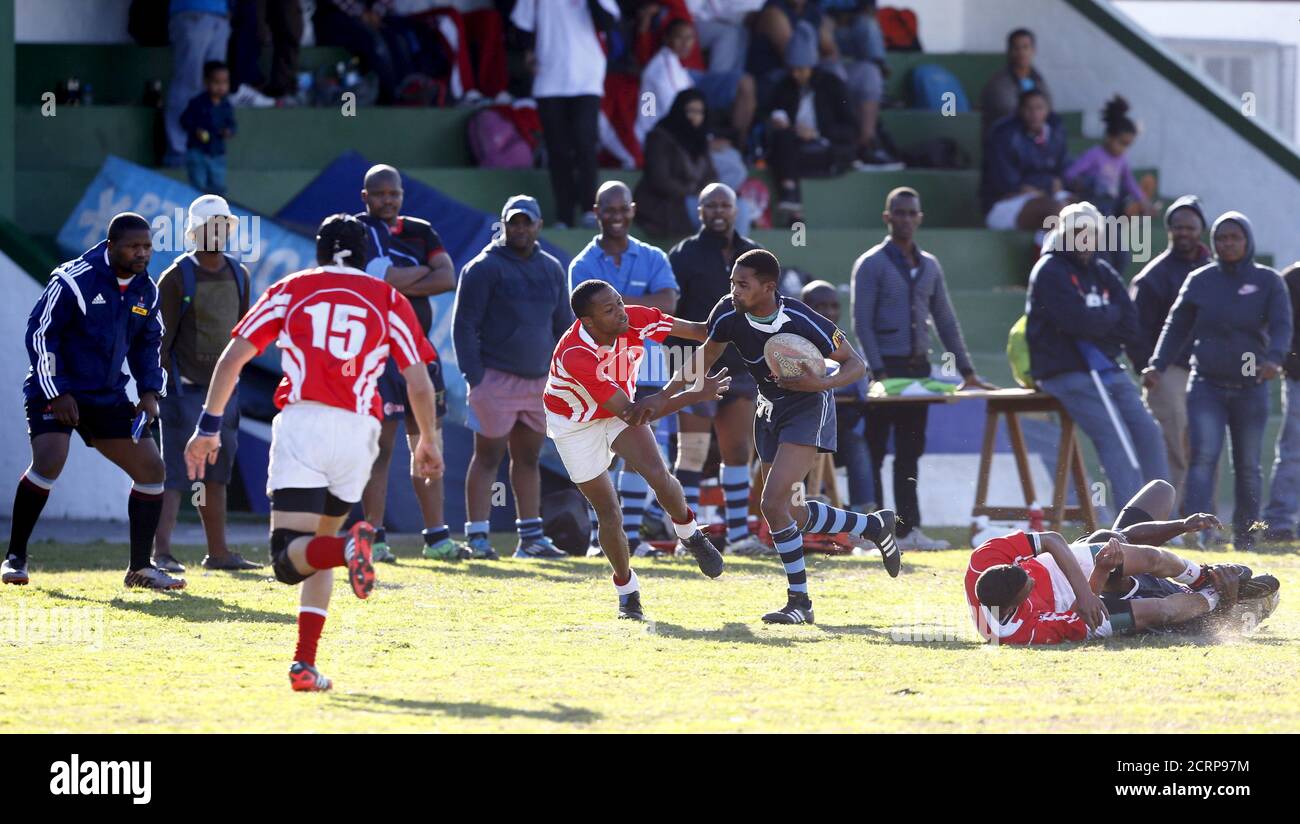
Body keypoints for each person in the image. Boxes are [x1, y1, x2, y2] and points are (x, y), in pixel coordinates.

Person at [184, 213, 443, 691]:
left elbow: (234, 357)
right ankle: (304, 664)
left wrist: (208, 426)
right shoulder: (388, 297)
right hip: (360, 432)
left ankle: (348, 548)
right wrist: (427, 439)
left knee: (287, 557)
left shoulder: (293, 287)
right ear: (369, 257)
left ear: (320, 251)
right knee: (317, 549)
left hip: (305, 423)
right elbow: (419, 382)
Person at [628, 249, 900, 623]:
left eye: (743, 284)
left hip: (808, 408)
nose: (734, 290)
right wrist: (661, 396)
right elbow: (702, 359)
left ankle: (800, 602)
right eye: (732, 283)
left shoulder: (803, 318)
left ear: (769, 287)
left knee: (772, 504)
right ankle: (872, 525)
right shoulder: (727, 312)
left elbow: (856, 364)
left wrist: (821, 382)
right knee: (789, 510)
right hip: (768, 409)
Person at [4, 214, 178, 590]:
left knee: (152, 470)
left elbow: (150, 343)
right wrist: (57, 392)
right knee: (49, 460)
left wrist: (149, 393)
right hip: (56, 389)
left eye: (147, 246)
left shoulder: (146, 289)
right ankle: (15, 557)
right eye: (134, 246)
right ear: (112, 246)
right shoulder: (72, 279)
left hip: (106, 395)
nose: (142, 253)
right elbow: (40, 335)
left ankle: (140, 569)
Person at [546, 280, 728, 618]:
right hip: (574, 423)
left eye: (619, 302)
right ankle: (627, 591)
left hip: (618, 409)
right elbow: (633, 413)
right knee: (609, 511)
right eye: (609, 309)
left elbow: (702, 331)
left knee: (659, 475)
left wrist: (734, 314)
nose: (621, 313)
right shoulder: (577, 355)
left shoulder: (637, 318)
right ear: (588, 322)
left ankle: (690, 534)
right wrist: (694, 394)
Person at [850, 187, 996, 549]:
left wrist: (966, 372)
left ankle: (909, 529)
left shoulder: (929, 265)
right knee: (875, 451)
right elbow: (861, 322)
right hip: (886, 372)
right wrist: (878, 373)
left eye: (911, 213)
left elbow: (945, 319)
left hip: (918, 372)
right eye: (898, 212)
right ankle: (876, 532)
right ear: (887, 217)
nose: (905, 219)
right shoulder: (870, 263)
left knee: (910, 452)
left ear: (919, 218)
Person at [1143, 212, 1293, 550]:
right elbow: (1176, 325)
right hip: (1206, 384)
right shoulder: (1201, 280)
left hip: (1250, 386)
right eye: (1221, 238)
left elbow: (1283, 326)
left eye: (1234, 238)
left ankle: (1245, 535)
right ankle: (1201, 532)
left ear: (1248, 241)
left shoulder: (1269, 281)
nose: (1227, 244)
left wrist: (1274, 359)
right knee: (1203, 459)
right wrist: (1157, 365)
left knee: (1248, 465)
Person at [1027, 202, 1168, 513]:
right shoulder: (1050, 270)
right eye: (1078, 232)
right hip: (1067, 370)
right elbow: (1074, 321)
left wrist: (1097, 321)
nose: (1085, 240)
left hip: (1106, 366)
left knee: (1148, 432)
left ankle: (1164, 517)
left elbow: (1130, 321)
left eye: (1091, 233)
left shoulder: (1101, 270)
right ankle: (1132, 526)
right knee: (1115, 439)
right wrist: (1106, 318)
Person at [452, 195, 573, 559]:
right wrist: (477, 378)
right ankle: (478, 538)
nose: (520, 228)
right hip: (495, 380)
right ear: (503, 224)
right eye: (514, 222)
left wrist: (559, 376)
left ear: (537, 226)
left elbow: (562, 327)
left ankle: (531, 539)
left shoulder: (552, 268)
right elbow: (464, 327)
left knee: (528, 458)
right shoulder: (482, 268)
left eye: (527, 222)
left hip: (539, 382)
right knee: (488, 457)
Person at [353, 164, 459, 562]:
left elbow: (447, 278)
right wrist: (417, 276)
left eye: (394, 193)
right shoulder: (356, 231)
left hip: (419, 355)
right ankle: (375, 539)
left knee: (427, 444)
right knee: (379, 450)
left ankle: (437, 538)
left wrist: (397, 279)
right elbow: (371, 283)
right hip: (376, 356)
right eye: (379, 194)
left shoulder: (421, 230)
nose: (388, 200)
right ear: (366, 197)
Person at [569, 182, 680, 558]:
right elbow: (587, 320)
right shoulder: (581, 264)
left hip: (646, 367)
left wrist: (615, 307)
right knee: (597, 452)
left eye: (622, 209)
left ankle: (631, 536)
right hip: (599, 371)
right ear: (596, 212)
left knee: (644, 456)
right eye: (608, 210)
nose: (616, 216)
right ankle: (600, 539)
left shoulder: (653, 255)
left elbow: (667, 302)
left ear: (632, 210)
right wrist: (639, 309)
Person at [152, 195, 259, 573]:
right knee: (173, 475)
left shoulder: (239, 274)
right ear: (195, 232)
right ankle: (160, 553)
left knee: (216, 471)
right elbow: (159, 341)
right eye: (209, 225)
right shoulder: (177, 276)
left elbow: (246, 336)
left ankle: (218, 553)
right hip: (182, 392)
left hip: (223, 394)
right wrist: (157, 390)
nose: (217, 232)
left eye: (223, 225)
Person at [666, 183, 767, 556]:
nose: (718, 211)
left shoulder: (753, 253)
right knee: (691, 453)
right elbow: (669, 316)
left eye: (725, 204)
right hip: (694, 363)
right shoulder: (682, 255)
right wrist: (680, 365)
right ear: (700, 211)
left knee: (737, 451)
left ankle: (739, 534)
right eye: (711, 205)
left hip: (743, 367)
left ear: (737, 209)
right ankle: (687, 539)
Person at [1128, 195, 1211, 505]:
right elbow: (1133, 331)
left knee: (1204, 451)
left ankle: (1205, 522)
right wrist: (1149, 371)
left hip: (1206, 372)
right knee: (1172, 452)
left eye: (1190, 227)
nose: (1184, 232)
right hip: (1168, 373)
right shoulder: (1153, 276)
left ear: (1201, 229)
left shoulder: (1212, 270)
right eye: (1178, 227)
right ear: (1169, 230)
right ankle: (1164, 522)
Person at [511, 0, 620, 228]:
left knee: (584, 143)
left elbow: (608, 23)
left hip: (587, 77)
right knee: (558, 149)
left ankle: (590, 209)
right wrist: (528, 52)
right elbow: (522, 25)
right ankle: (564, 215)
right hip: (549, 77)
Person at [764, 21, 859, 226]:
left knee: (786, 154)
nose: (796, 74)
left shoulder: (833, 85)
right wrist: (776, 121)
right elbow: (767, 114)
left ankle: (792, 200)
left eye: (801, 69)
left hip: (827, 149)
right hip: (792, 145)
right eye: (793, 69)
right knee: (784, 141)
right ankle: (792, 201)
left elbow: (851, 129)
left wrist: (816, 133)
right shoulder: (784, 87)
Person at [801, 281, 875, 513]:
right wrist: (838, 381)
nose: (829, 312)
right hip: (796, 435)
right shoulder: (792, 344)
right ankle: (807, 514)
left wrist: (827, 382)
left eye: (834, 306)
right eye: (821, 306)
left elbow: (861, 385)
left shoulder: (843, 345)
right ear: (805, 307)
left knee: (857, 444)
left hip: (835, 436)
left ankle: (865, 519)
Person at [635, 18, 756, 147]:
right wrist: (706, 143)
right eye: (679, 37)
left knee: (745, 83)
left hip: (671, 134)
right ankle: (738, 147)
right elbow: (675, 114)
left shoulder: (672, 64)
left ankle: (739, 146)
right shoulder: (663, 69)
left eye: (689, 38)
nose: (685, 43)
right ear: (667, 39)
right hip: (663, 141)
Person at [981, 88, 1073, 231]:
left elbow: (1064, 173)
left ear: (1048, 110)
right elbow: (1008, 184)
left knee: (1087, 210)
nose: (1034, 114)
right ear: (1020, 110)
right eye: (1029, 108)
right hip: (1005, 203)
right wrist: (1046, 186)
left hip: (1046, 196)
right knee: (1055, 210)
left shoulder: (1055, 132)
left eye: (1039, 108)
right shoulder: (1004, 135)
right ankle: (1051, 253)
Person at [634, 90, 719, 238]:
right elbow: (660, 180)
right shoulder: (659, 138)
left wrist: (705, 193)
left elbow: (712, 175)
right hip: (664, 205)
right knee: (712, 212)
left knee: (737, 208)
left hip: (695, 200)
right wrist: (692, 193)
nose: (694, 117)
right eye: (690, 111)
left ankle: (730, 259)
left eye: (699, 112)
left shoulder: (699, 141)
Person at [164, 0, 232, 166]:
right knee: (188, 81)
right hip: (191, 10)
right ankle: (178, 149)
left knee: (214, 87)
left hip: (219, 14)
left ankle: (205, 147)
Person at [1263, 262, 1300, 542]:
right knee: (1293, 452)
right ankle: (1280, 521)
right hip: (1298, 380)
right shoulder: (1291, 279)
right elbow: (1278, 327)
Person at [979, 28, 1051, 137]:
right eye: (1016, 48)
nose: (1021, 52)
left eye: (1026, 47)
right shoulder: (998, 83)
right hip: (1005, 139)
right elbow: (1009, 112)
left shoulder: (1037, 78)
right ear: (1009, 51)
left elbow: (1048, 106)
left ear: (1033, 50)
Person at [179, 60, 237, 196]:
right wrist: (196, 130)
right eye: (216, 82)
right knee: (198, 186)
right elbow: (184, 120)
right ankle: (198, 214)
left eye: (224, 82)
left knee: (218, 187)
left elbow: (232, 125)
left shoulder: (226, 105)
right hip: (197, 151)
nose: (221, 87)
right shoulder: (197, 102)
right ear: (206, 82)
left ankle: (217, 215)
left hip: (217, 153)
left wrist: (228, 131)